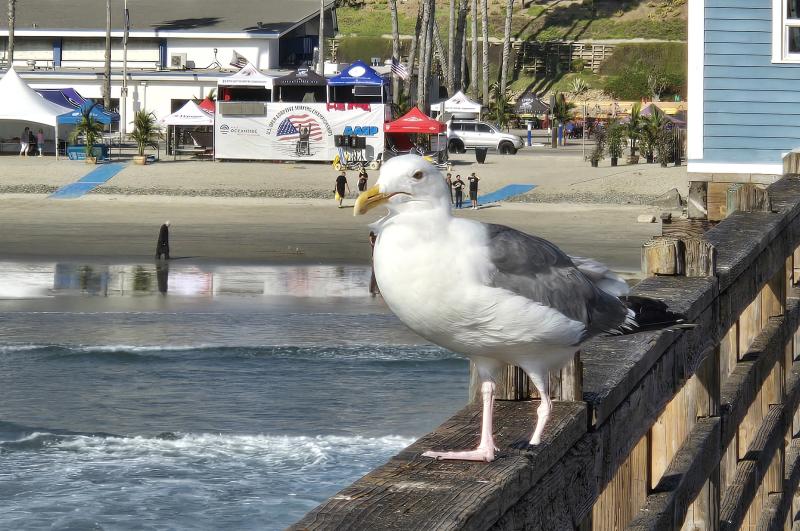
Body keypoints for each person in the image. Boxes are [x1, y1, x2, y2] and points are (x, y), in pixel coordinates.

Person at [368, 231, 379, 296]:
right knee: (374, 274)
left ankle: (375, 289)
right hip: (375, 255)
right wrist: (372, 243)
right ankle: (373, 289)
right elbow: (370, 239)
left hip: (377, 253)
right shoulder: (373, 232)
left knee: (375, 274)